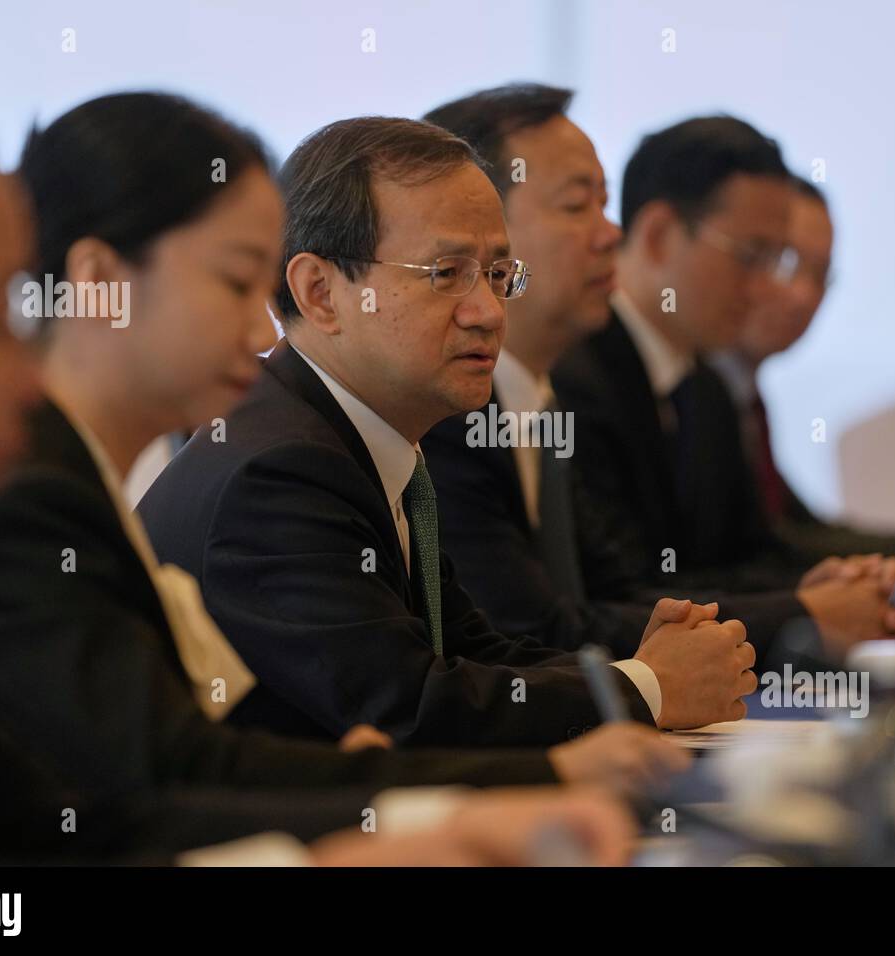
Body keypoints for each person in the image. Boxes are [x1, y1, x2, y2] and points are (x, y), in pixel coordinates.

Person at [0, 84, 645, 866]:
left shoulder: (1, 511)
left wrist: (389, 810)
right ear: (100, 277)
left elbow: (95, 815)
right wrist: (399, 816)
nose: (261, 328)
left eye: (498, 273)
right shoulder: (40, 501)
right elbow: (131, 802)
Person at [139, 115, 758, 745]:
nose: (489, 313)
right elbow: (408, 710)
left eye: (496, 275)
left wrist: (643, 673)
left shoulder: (360, 435)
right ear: (321, 292)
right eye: (446, 274)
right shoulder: (279, 470)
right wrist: (644, 689)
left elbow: (471, 655)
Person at [421, 84, 895, 661]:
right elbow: (525, 634)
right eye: (578, 206)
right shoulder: (455, 412)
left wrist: (809, 598)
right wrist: (798, 612)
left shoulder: (543, 397)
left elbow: (622, 590)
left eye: (605, 206)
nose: (610, 233)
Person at [709, 175, 895, 577]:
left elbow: (797, 531)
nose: (804, 295)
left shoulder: (742, 396)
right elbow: (754, 558)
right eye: (785, 262)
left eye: (820, 275)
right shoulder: (696, 392)